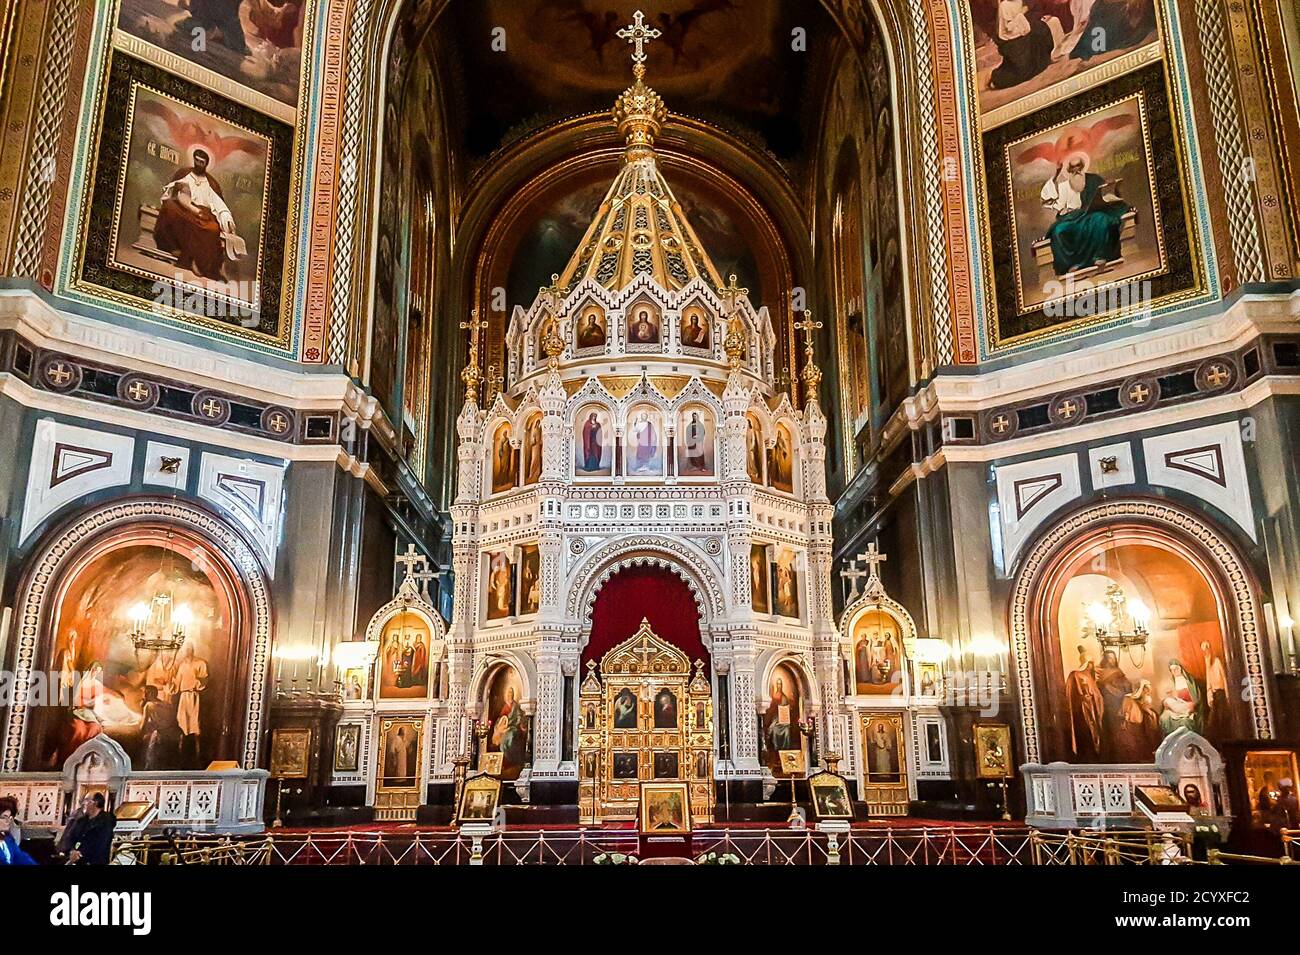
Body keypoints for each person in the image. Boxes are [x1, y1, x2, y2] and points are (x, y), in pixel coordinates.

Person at [153, 148, 243, 281]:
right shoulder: (184, 174)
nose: (199, 164)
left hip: (203, 213)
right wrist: (188, 203)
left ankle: (198, 262)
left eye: (202, 162)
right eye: (197, 160)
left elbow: (219, 205)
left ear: (206, 164)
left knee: (212, 229)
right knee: (169, 207)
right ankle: (175, 248)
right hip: (184, 207)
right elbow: (177, 192)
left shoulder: (211, 183)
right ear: (194, 160)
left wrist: (226, 217)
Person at [1039, 153, 1131, 276]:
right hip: (1072, 218)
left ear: (1083, 167)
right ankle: (1072, 264)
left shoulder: (1093, 179)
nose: (1076, 171)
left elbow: (1104, 195)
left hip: (1092, 214)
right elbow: (1050, 201)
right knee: (1059, 230)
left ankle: (1099, 256)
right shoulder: (1063, 187)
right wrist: (1062, 211)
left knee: (1100, 219)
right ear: (1068, 170)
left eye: (1079, 167)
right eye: (1073, 168)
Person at [62, 793, 116, 866]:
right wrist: (72, 850)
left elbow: (102, 843)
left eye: (86, 800)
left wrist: (81, 853)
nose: (83, 803)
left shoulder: (107, 820)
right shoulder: (81, 821)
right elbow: (70, 838)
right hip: (77, 861)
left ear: (95, 803)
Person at [0, 797, 35, 866]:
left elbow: (21, 857)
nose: (8, 821)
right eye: (4, 817)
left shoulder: (8, 838)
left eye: (10, 817)